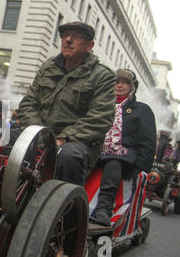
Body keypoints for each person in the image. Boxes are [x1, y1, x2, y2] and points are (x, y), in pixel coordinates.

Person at [17, 21, 116, 186]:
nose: (68, 40)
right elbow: (28, 104)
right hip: (40, 133)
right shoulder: (48, 67)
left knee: (65, 156)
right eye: (65, 35)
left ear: (89, 45)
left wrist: (64, 138)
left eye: (76, 37)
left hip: (76, 142)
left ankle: (67, 210)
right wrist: (39, 133)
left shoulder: (102, 75)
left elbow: (100, 117)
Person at [91, 69, 157, 226]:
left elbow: (148, 141)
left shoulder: (142, 109)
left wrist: (141, 168)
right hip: (96, 149)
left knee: (114, 161)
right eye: (116, 81)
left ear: (132, 86)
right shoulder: (99, 104)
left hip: (122, 155)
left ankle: (103, 209)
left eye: (125, 82)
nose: (120, 85)